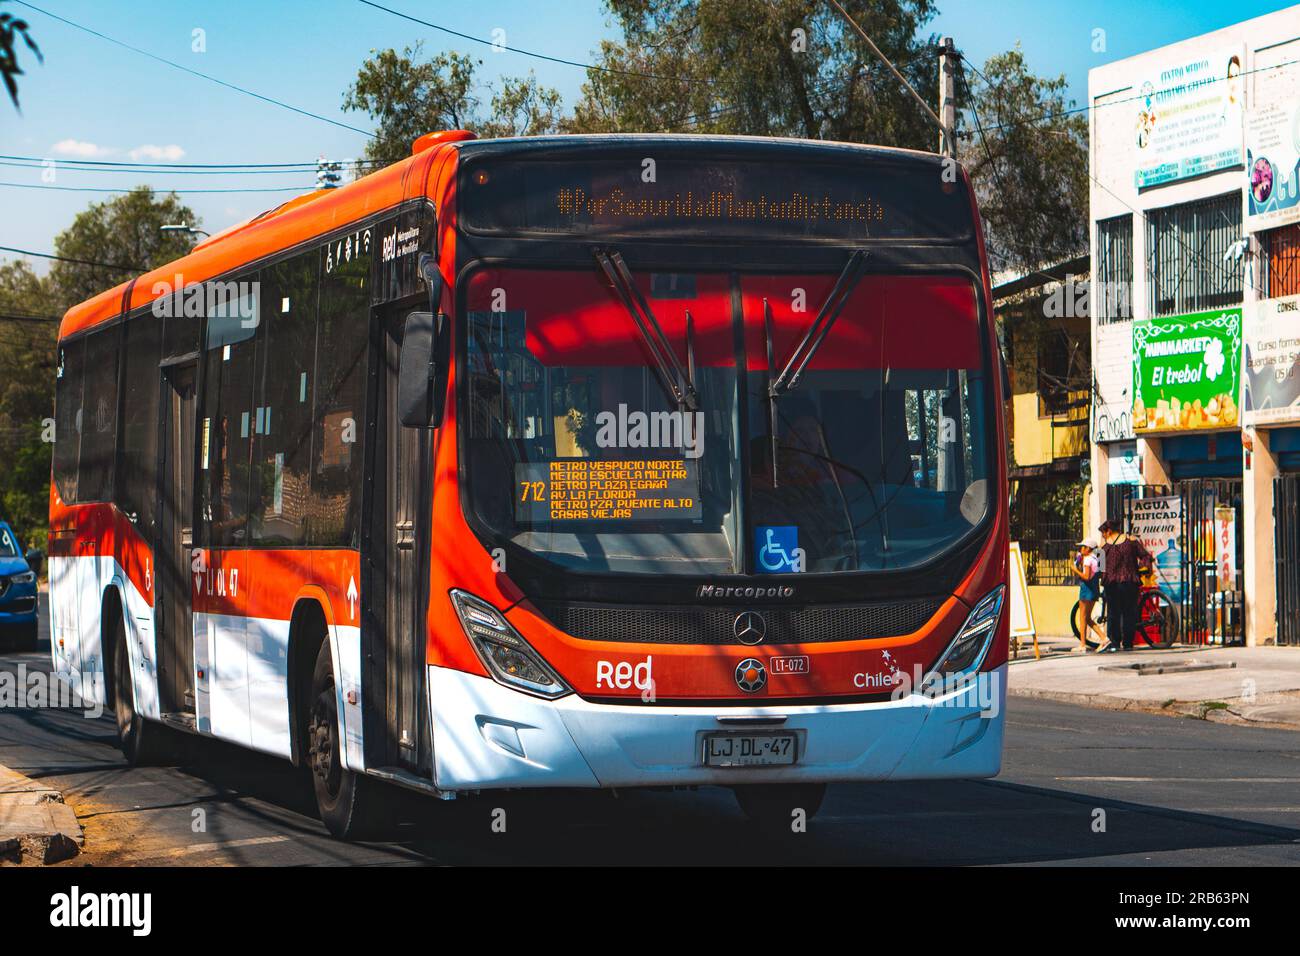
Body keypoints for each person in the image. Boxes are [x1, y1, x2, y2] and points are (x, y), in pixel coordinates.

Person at [1098, 519, 1153, 652]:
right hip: (1130, 581)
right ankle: (1128, 643)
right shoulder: (1131, 540)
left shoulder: (1103, 546)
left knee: (1113, 613)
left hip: (1111, 584)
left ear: (1109, 531)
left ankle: (1115, 643)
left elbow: (1100, 567)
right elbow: (1145, 556)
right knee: (1130, 613)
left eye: (1103, 533)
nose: (1103, 536)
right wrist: (1142, 569)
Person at [1071, 538, 1106, 651]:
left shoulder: (1087, 559)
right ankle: (1103, 638)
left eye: (1082, 547)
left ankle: (1083, 645)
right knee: (1087, 618)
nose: (1080, 549)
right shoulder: (1096, 558)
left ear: (1088, 549)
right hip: (1094, 588)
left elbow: (1086, 576)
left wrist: (1075, 570)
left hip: (1086, 589)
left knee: (1083, 617)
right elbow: (1098, 574)